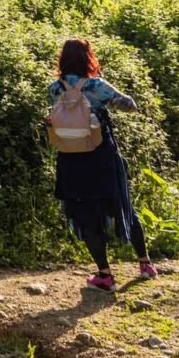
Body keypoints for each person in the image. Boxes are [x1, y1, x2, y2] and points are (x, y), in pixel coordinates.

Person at [49, 37, 157, 291]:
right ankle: (145, 264)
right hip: (101, 156)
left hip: (71, 158)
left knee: (86, 214)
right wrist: (107, 101)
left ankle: (105, 275)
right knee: (121, 205)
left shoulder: (54, 88)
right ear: (88, 58)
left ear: (63, 60)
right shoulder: (97, 85)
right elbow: (130, 105)